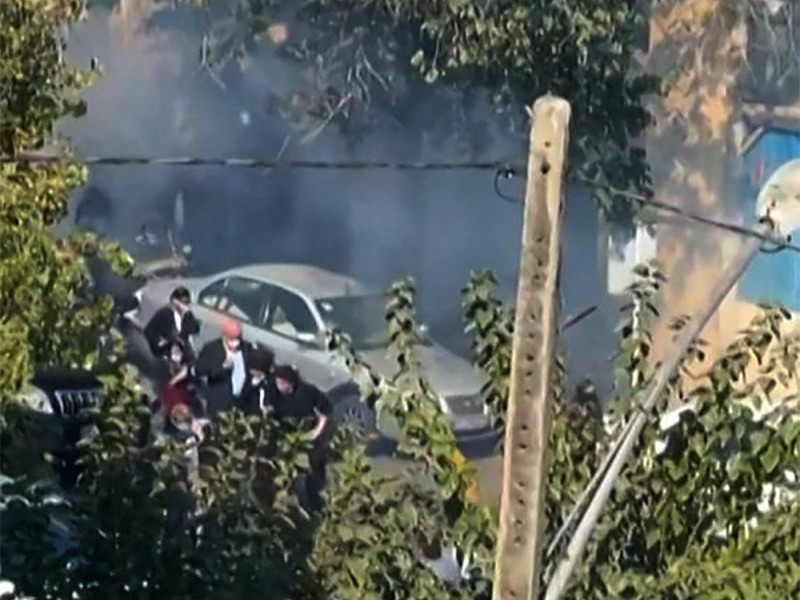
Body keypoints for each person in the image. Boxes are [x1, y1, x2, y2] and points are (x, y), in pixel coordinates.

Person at [268, 365, 333, 512]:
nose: (279, 386)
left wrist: (316, 432)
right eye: (278, 382)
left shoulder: (306, 392)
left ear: (291, 383)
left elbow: (326, 410)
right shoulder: (273, 392)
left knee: (312, 472)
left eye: (283, 383)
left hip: (306, 438)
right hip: (284, 438)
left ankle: (315, 505)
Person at [195, 318, 255, 417]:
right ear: (224, 336)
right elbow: (200, 370)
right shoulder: (212, 349)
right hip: (219, 399)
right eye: (232, 339)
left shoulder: (246, 348)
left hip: (240, 400)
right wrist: (223, 365)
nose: (236, 343)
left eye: (238, 338)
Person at [144, 286, 200, 360]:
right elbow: (157, 335)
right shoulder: (165, 313)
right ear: (174, 300)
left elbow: (195, 329)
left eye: (187, 303)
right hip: (162, 351)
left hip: (178, 350)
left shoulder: (185, 315)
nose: (184, 305)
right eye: (182, 302)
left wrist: (188, 313)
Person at [237, 346, 276, 415]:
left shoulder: (270, 380)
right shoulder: (245, 376)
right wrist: (252, 386)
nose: (252, 372)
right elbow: (240, 399)